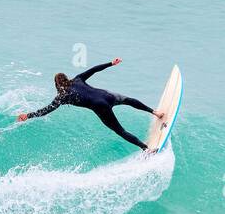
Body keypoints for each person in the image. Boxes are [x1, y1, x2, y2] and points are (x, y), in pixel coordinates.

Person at [17, 58, 164, 151]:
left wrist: (28, 116)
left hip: (100, 106)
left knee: (120, 130)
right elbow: (94, 70)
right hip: (107, 96)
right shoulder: (77, 79)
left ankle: (145, 148)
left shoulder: (61, 97)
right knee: (128, 100)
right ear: (66, 78)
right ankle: (155, 112)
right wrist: (111, 63)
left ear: (56, 84)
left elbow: (46, 110)